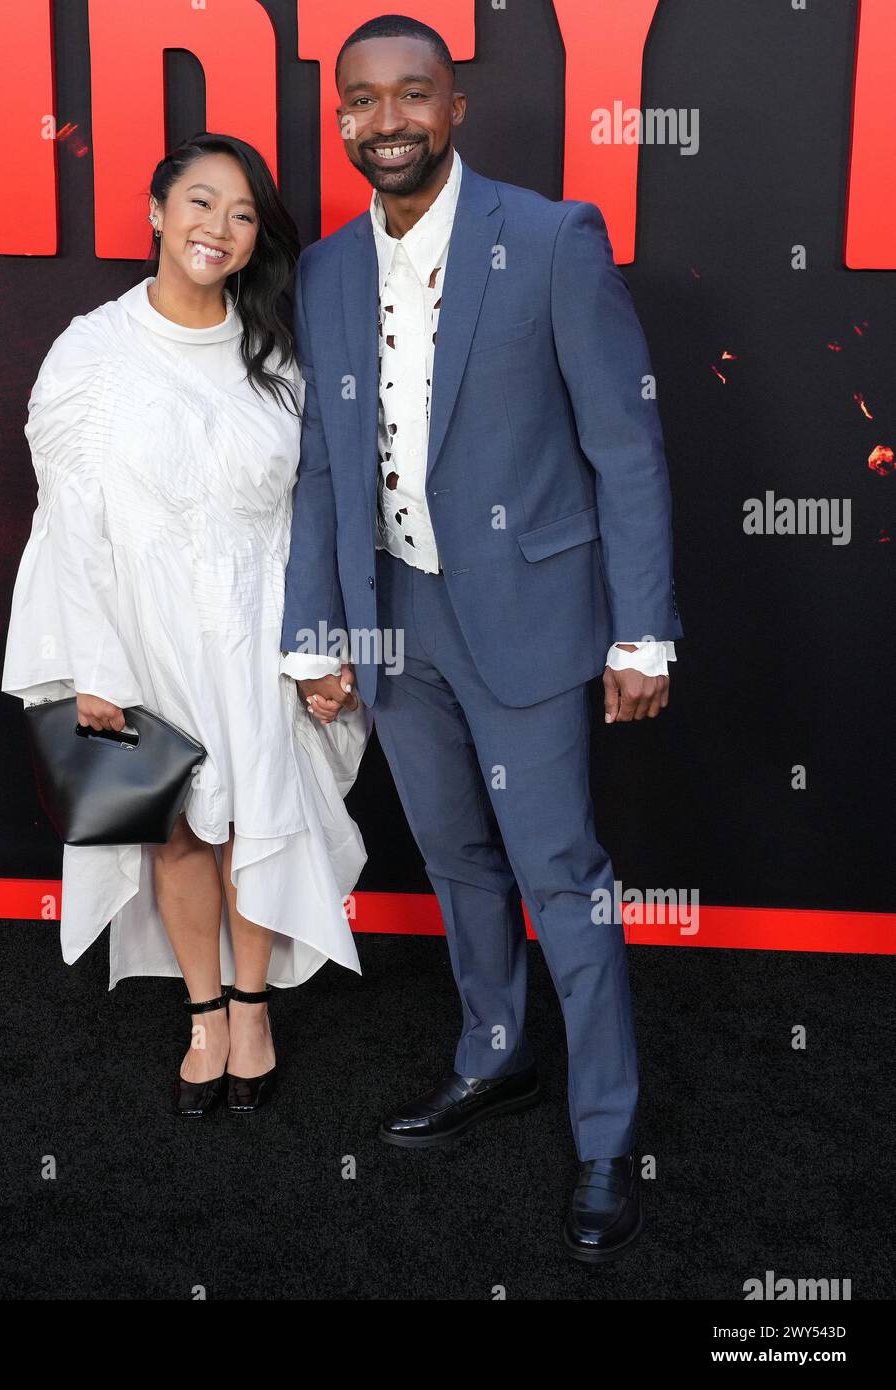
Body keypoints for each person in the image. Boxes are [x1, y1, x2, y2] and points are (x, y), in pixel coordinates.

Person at [278, 16, 682, 1261]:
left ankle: (606, 1132)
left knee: (558, 873)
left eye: (411, 96)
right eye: (360, 100)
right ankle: (490, 1054)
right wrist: (314, 630)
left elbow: (625, 447)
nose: (384, 119)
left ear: (454, 109)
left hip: (526, 617)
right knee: (456, 860)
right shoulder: (326, 270)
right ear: (338, 118)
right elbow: (320, 471)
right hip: (394, 619)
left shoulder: (552, 238)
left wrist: (643, 633)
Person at [1, 133, 370, 1119]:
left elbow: (311, 520)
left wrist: (316, 647)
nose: (219, 227)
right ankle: (202, 1013)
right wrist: (94, 669)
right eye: (200, 202)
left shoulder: (278, 362)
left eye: (243, 214)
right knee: (173, 830)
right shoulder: (89, 352)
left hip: (258, 630)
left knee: (259, 818)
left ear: (257, 241)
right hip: (138, 632)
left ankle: (252, 1011)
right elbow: (68, 528)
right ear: (157, 211)